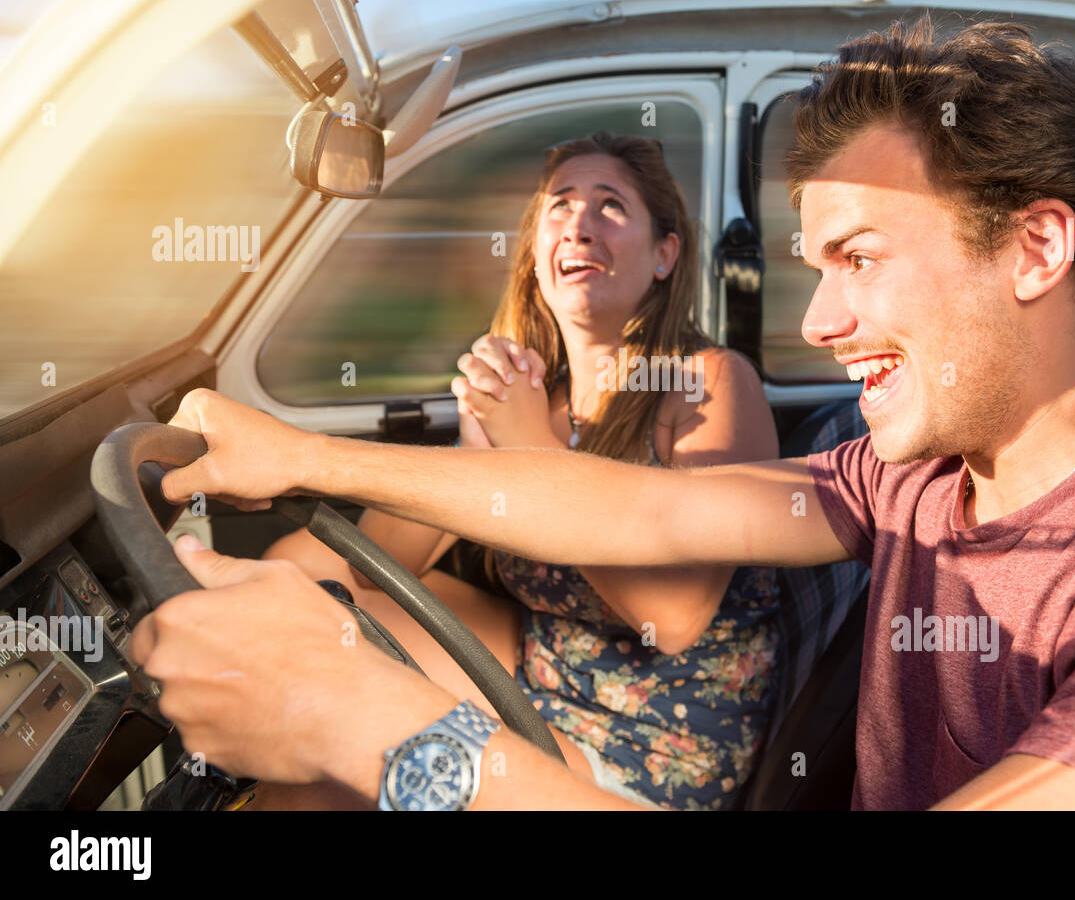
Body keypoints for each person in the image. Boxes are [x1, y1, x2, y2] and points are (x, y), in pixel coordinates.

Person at [132, 16, 1075, 811]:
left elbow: (663, 597)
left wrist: (372, 730)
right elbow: (633, 513)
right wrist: (293, 451)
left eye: (859, 259)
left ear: (1038, 248)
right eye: (815, 270)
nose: (827, 320)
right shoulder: (919, 477)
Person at [260, 132, 781, 810]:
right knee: (300, 574)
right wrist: (475, 453)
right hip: (544, 669)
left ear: (664, 254)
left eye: (611, 206)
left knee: (324, 780)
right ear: (536, 255)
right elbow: (375, 563)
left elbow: (675, 616)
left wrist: (531, 448)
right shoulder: (542, 397)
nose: (580, 224)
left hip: (651, 740)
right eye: (559, 205)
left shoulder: (708, 383)